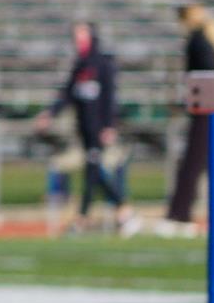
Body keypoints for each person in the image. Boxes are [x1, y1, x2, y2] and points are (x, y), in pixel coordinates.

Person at [34, 21, 138, 235]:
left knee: (92, 171)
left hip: (99, 129)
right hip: (84, 129)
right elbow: (68, 95)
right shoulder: (79, 65)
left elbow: (110, 98)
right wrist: (50, 114)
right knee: (93, 171)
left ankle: (90, 217)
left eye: (82, 35)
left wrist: (109, 126)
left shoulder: (102, 64)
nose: (78, 40)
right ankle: (120, 210)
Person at [162, 3, 214, 233]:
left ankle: (180, 215)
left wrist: (188, 100)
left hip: (206, 108)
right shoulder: (211, 38)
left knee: (193, 162)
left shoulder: (197, 40)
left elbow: (200, 76)